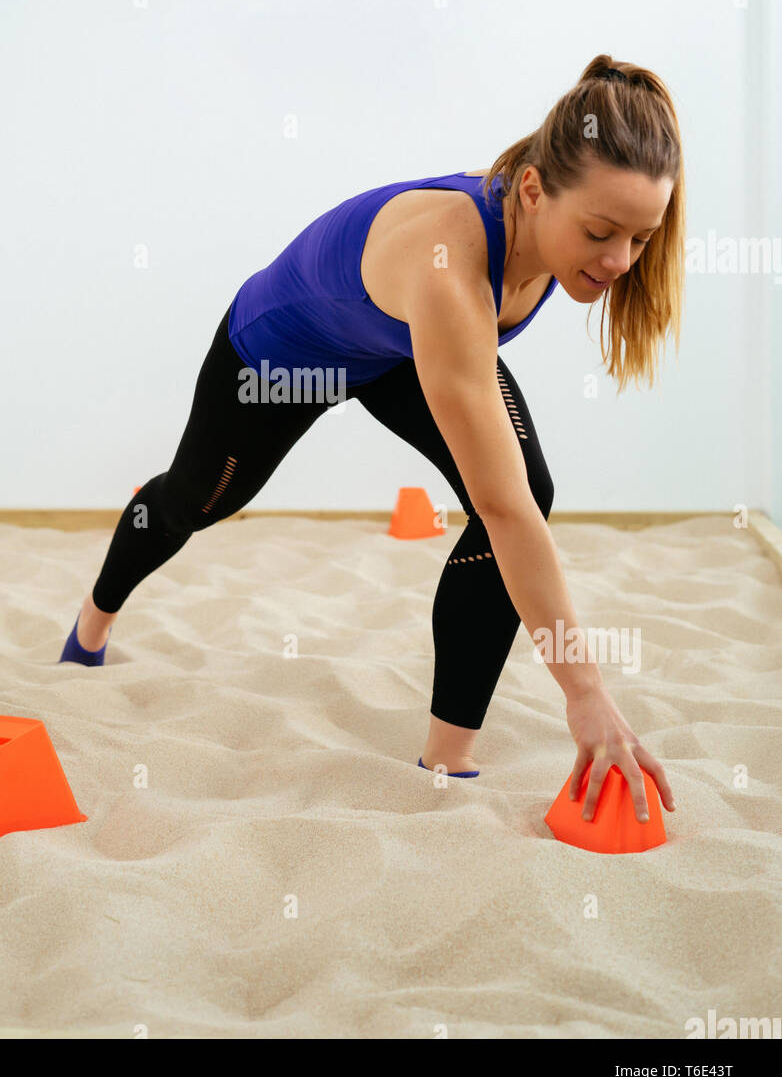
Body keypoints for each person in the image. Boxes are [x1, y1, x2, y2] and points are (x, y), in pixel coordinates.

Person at [60, 54, 682, 825]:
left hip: (392, 350)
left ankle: (448, 756)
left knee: (527, 491)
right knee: (197, 499)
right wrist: (587, 696)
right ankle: (91, 623)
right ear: (531, 189)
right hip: (282, 351)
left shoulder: (550, 233)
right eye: (599, 233)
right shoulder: (450, 264)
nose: (619, 261)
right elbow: (504, 505)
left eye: (639, 238)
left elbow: (509, 506)